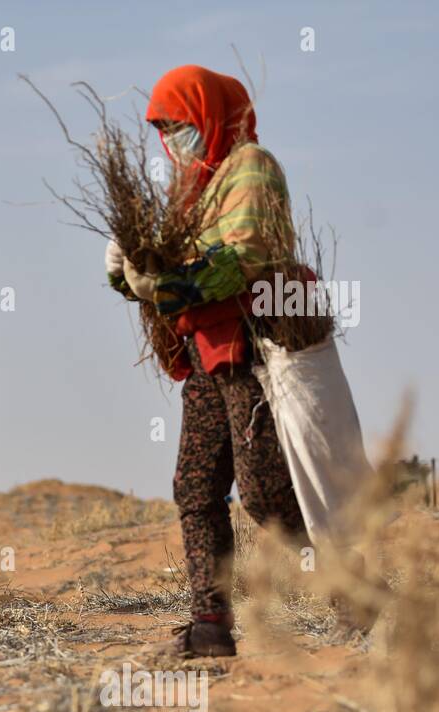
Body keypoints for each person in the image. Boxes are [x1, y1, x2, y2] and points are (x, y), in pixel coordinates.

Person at [105, 65, 306, 657]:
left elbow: (243, 256)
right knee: (194, 489)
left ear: (211, 115)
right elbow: (162, 272)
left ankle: (353, 588)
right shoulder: (186, 188)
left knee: (267, 495)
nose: (172, 139)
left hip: (251, 350)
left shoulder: (252, 167)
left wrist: (161, 285)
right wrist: (127, 272)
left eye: (181, 124)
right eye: (163, 129)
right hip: (202, 357)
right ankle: (209, 626)